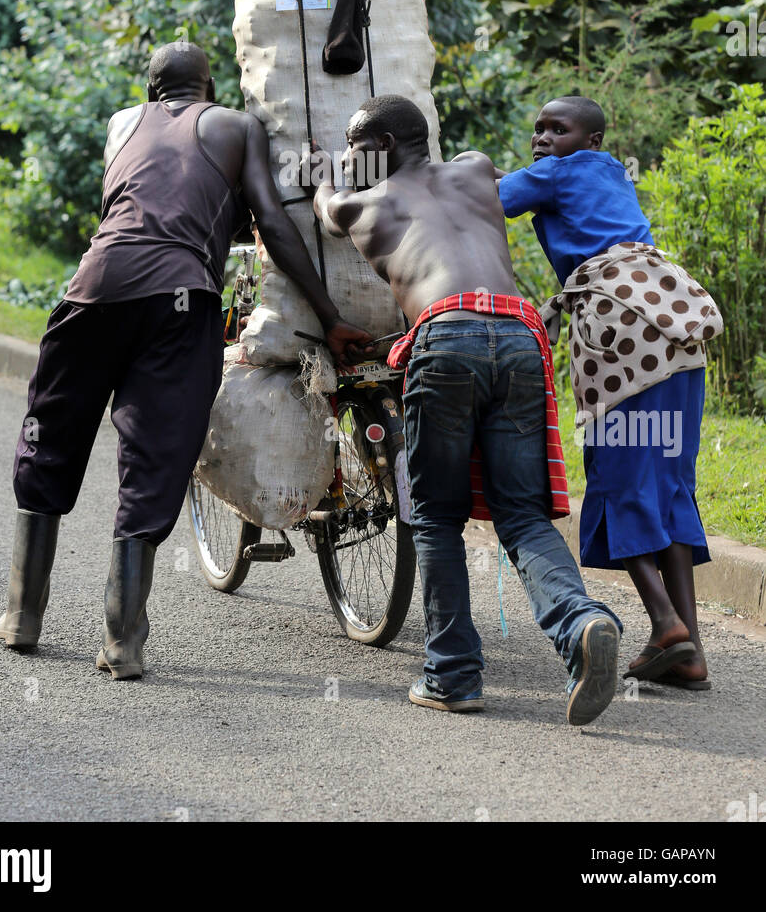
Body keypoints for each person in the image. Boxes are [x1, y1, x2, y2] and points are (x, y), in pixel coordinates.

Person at [0, 42, 372, 679]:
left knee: (52, 437)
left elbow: (138, 204)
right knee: (157, 451)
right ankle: (121, 641)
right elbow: (274, 226)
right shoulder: (235, 125)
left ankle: (21, 616)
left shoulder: (121, 124)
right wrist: (329, 316)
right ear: (210, 87)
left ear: (150, 90)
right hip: (177, 304)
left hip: (92, 291)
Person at [305, 94, 623, 725]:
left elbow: (325, 206)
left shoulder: (360, 202)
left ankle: (452, 674)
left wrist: (326, 168)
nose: (349, 157)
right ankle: (581, 621)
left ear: (380, 149)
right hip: (519, 334)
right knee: (523, 516)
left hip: (445, 336)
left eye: (356, 145)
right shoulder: (477, 168)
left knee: (434, 514)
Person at [497, 95, 718, 691]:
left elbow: (488, 201)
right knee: (669, 479)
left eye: (558, 129)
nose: (542, 138)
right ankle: (688, 650)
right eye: (537, 128)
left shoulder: (557, 172)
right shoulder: (609, 171)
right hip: (673, 327)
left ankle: (667, 623)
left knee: (619, 473)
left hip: (618, 329)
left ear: (589, 140)